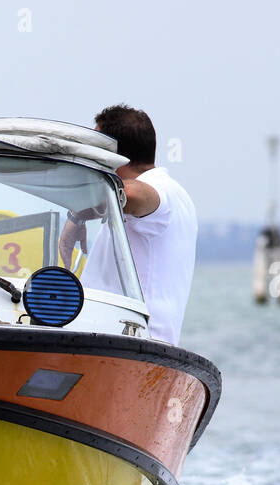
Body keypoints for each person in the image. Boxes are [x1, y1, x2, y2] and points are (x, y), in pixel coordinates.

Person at [59, 105, 197, 346]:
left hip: (135, 342)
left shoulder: (161, 188)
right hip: (123, 340)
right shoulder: (173, 193)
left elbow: (132, 194)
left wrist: (78, 211)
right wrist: (80, 216)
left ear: (110, 154)